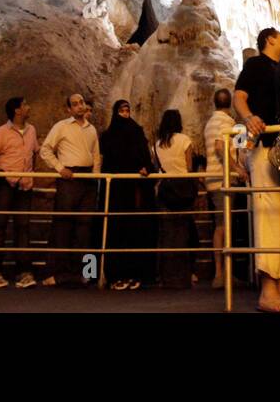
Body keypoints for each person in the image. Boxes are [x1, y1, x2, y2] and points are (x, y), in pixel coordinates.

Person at [234, 27, 280, 312]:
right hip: (264, 145)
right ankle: (268, 288)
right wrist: (249, 119)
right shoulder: (256, 64)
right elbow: (239, 96)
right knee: (270, 212)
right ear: (270, 40)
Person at [39, 93, 101, 287]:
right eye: (75, 104)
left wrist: (96, 177)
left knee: (86, 227)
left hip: (87, 179)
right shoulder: (61, 126)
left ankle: (86, 273)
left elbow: (95, 155)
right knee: (63, 227)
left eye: (81, 102)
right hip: (70, 178)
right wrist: (60, 168)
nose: (80, 106)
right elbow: (45, 149)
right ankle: (57, 274)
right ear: (69, 109)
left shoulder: (91, 129)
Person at [0, 96, 40, 289]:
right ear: (17, 110)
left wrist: (33, 174)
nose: (29, 107)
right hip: (5, 183)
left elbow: (34, 153)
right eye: (25, 104)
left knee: (23, 227)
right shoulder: (2, 131)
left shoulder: (31, 130)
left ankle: (24, 271)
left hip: (24, 184)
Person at [100, 98, 154, 291]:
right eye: (122, 110)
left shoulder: (137, 131)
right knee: (116, 232)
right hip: (117, 191)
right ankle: (114, 275)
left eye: (127, 109)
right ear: (116, 112)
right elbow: (106, 162)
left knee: (134, 232)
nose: (125, 113)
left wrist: (146, 168)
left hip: (134, 191)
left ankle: (134, 273)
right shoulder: (108, 136)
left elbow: (146, 159)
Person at [152, 108, 198, 289]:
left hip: (165, 190)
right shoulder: (185, 140)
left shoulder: (157, 144)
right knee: (183, 234)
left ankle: (166, 278)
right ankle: (182, 278)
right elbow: (189, 166)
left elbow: (157, 167)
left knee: (167, 234)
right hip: (183, 189)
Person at [203, 88, 240, 289]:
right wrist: (238, 169)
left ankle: (226, 272)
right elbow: (220, 147)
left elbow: (238, 146)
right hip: (222, 179)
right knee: (222, 226)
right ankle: (220, 274)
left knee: (223, 225)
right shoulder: (225, 122)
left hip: (213, 178)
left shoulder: (211, 122)